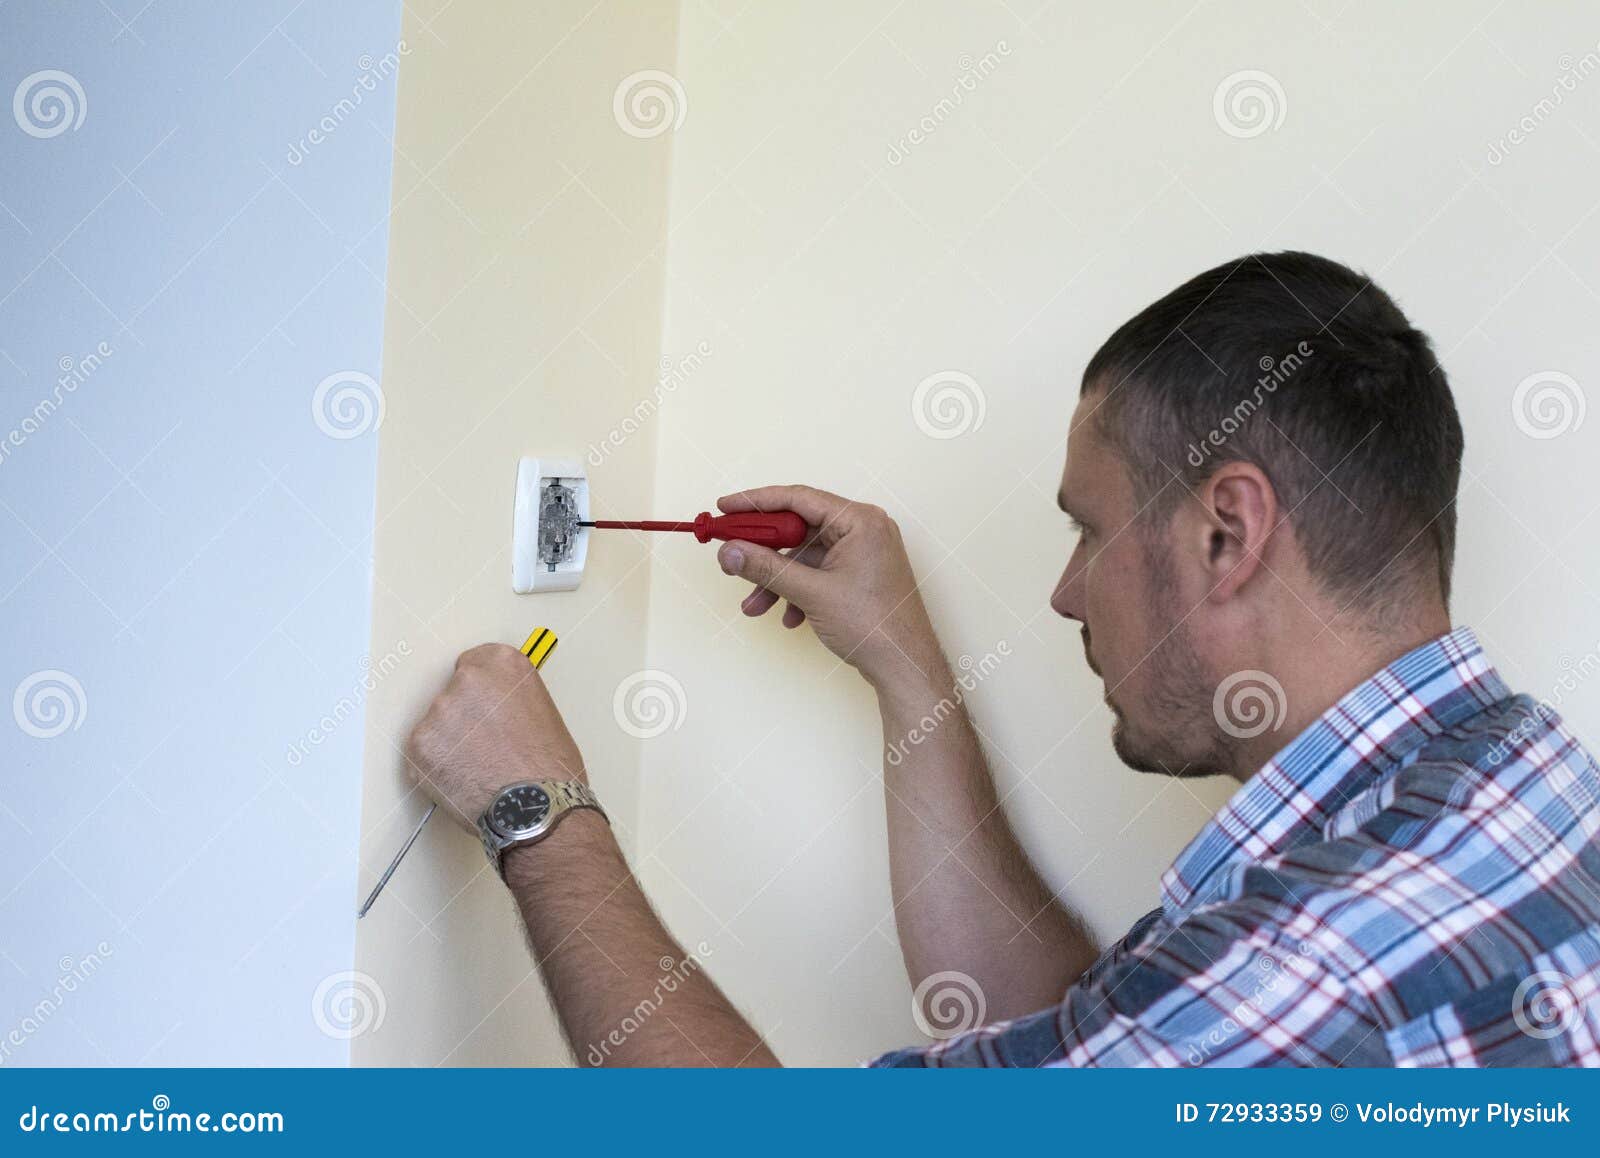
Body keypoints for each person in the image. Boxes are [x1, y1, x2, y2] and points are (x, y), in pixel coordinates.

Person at [405, 252, 1600, 1067]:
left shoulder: (1310, 963)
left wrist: (539, 817)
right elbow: (1075, 1045)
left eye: (1090, 529)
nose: (1066, 592)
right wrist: (906, 668)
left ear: (1226, 533)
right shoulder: (1521, 778)